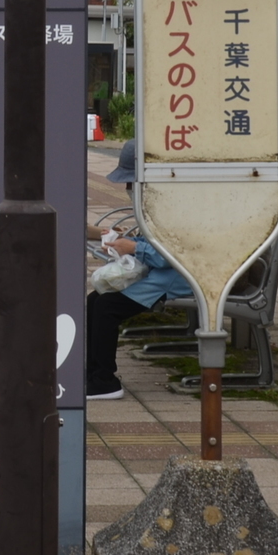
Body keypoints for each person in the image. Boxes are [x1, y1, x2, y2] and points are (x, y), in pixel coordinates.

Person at [85, 140, 195, 400]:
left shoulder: (172, 208)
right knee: (95, 301)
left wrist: (134, 248)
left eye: (130, 183)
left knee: (105, 307)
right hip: (169, 275)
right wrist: (130, 244)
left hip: (174, 280)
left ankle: (105, 381)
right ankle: (94, 374)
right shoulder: (166, 203)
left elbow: (169, 256)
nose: (128, 190)